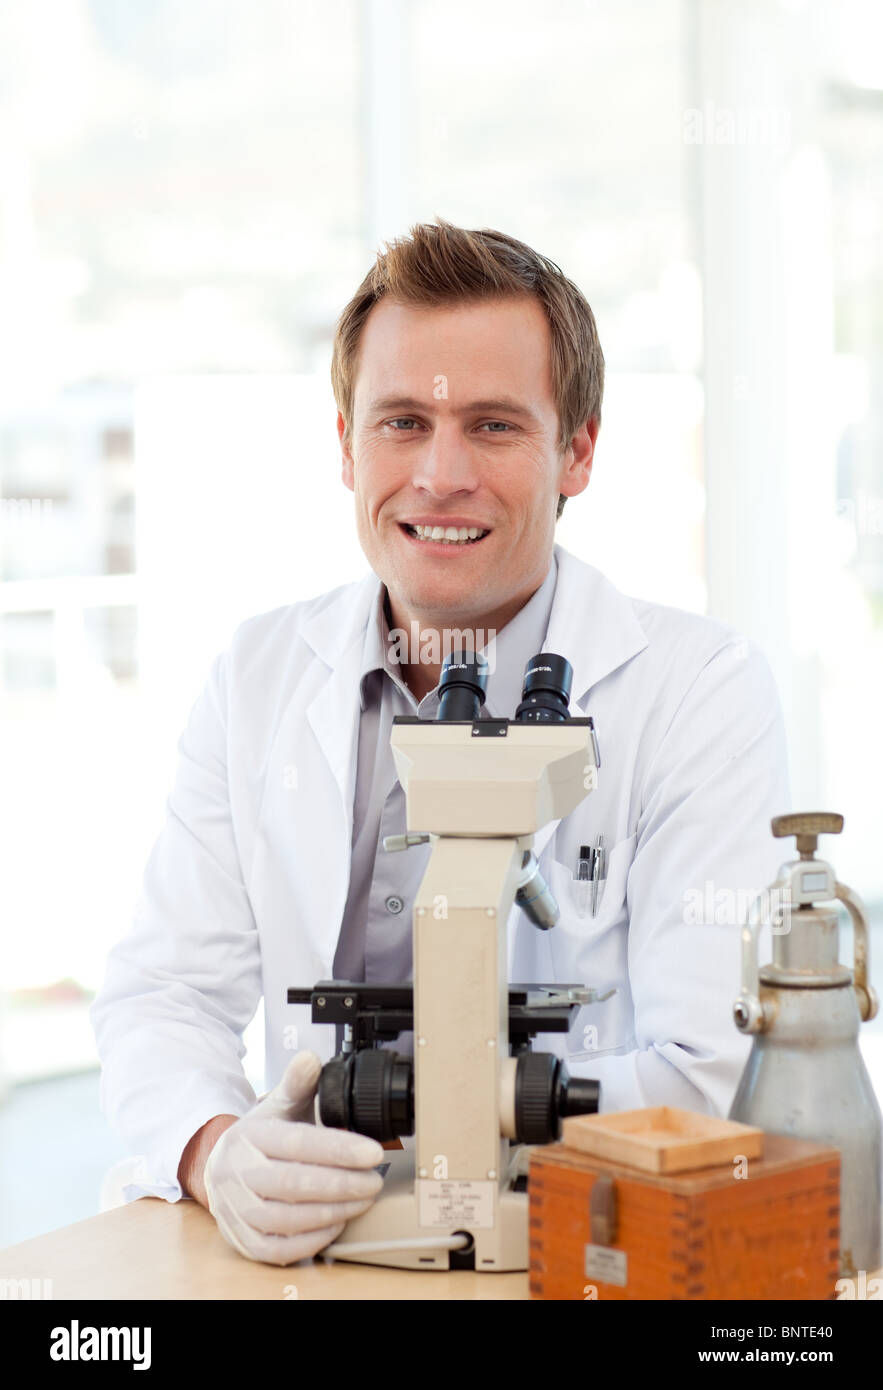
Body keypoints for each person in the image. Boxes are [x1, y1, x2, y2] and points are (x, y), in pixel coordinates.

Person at [91, 219, 791, 1266]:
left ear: (579, 452)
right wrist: (216, 1147)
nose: (440, 473)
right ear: (344, 445)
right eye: (403, 422)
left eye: (495, 426)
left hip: (573, 1252)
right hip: (309, 1254)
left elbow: (708, 1072)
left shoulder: (696, 690)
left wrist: (458, 1133)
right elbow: (165, 995)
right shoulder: (259, 674)